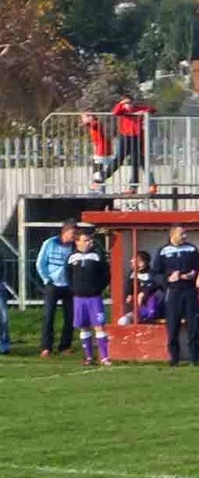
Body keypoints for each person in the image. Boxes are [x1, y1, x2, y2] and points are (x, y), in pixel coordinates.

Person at [151, 225, 199, 365]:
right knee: (173, 327)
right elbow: (155, 274)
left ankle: (194, 358)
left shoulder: (192, 249)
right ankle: (174, 359)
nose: (185, 236)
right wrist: (168, 278)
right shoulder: (163, 251)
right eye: (182, 234)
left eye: (185, 233)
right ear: (172, 234)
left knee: (193, 325)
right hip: (173, 293)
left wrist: (194, 274)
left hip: (190, 292)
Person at [67, 230, 112, 367]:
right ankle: (88, 357)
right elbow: (68, 275)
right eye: (86, 240)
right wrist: (74, 289)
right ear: (77, 242)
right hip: (79, 298)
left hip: (94, 297)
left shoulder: (97, 256)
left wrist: (98, 288)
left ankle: (104, 357)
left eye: (90, 240)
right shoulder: (71, 257)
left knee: (99, 326)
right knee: (83, 327)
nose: (89, 242)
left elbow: (105, 275)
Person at [35, 219, 77, 358]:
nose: (74, 236)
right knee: (48, 315)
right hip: (52, 284)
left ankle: (65, 346)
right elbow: (40, 263)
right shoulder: (49, 243)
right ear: (64, 231)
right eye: (72, 233)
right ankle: (46, 347)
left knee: (70, 316)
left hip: (69, 285)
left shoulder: (74, 247)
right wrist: (47, 279)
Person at [110, 93, 155, 191]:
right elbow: (115, 112)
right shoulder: (122, 110)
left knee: (137, 161)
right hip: (125, 137)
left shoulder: (137, 109)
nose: (129, 106)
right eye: (126, 104)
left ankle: (138, 186)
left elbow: (152, 109)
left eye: (130, 103)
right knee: (118, 159)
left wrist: (144, 111)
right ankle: (103, 176)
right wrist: (121, 103)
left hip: (136, 137)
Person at [127, 250, 162, 323]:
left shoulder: (151, 273)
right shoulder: (132, 273)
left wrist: (144, 293)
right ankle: (139, 316)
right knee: (126, 320)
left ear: (143, 262)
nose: (132, 261)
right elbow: (129, 285)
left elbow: (155, 285)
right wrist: (129, 294)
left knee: (151, 311)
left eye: (136, 260)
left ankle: (149, 316)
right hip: (139, 302)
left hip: (151, 299)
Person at [81, 113, 114, 191]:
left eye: (83, 117)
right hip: (101, 149)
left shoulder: (96, 123)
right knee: (98, 170)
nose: (82, 119)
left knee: (97, 171)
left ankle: (96, 188)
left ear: (90, 117)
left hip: (101, 150)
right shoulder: (95, 123)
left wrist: (88, 121)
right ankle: (99, 188)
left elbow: (94, 125)